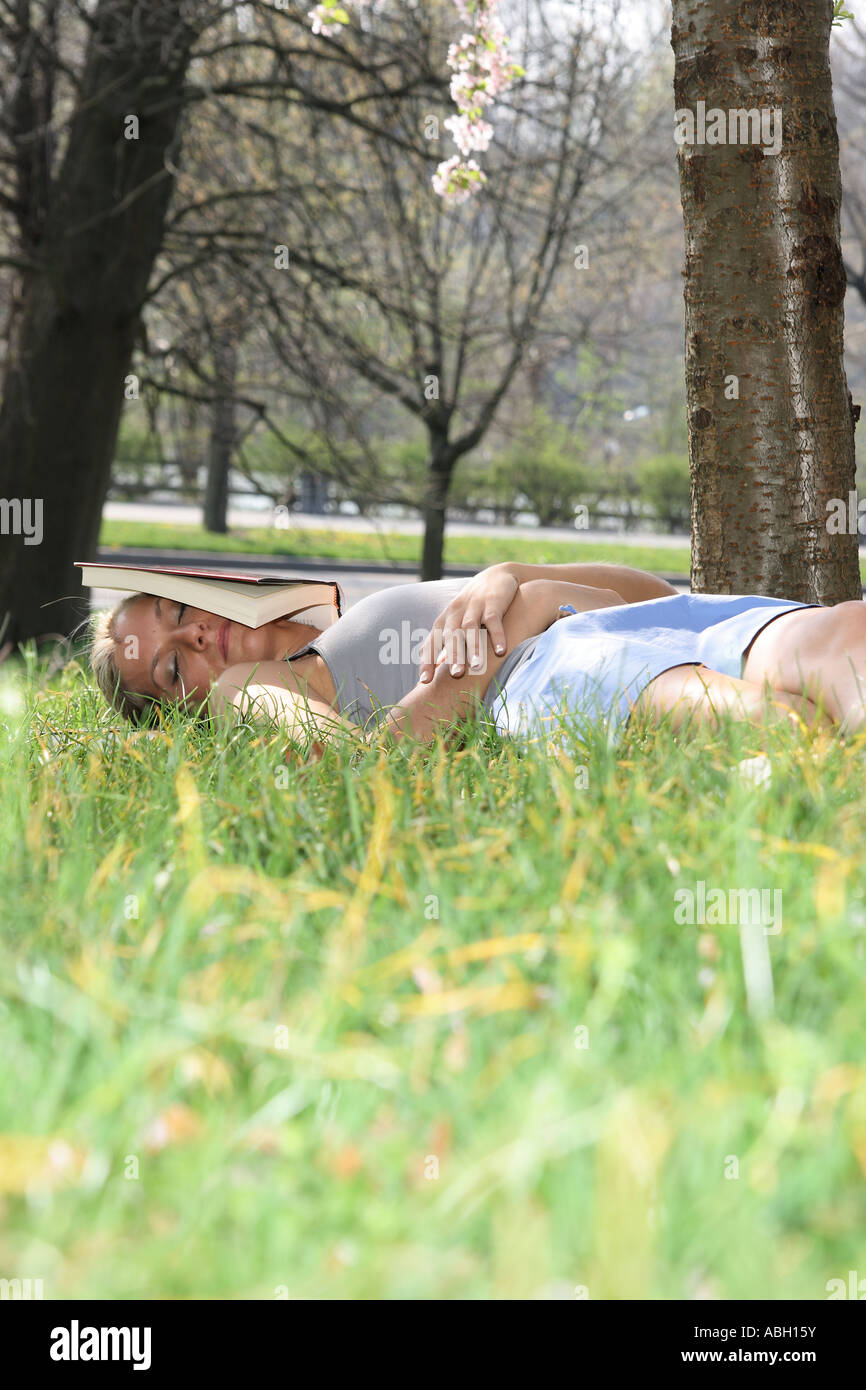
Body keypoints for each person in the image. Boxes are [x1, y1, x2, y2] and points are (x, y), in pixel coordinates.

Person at [89, 559, 866, 750]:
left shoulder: (353, 622)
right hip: (552, 671)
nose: (192, 635)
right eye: (169, 668)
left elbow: (647, 589)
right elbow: (359, 770)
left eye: (175, 609)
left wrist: (507, 578)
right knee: (777, 729)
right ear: (184, 707)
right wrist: (454, 690)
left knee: (843, 635)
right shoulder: (250, 684)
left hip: (664, 620)